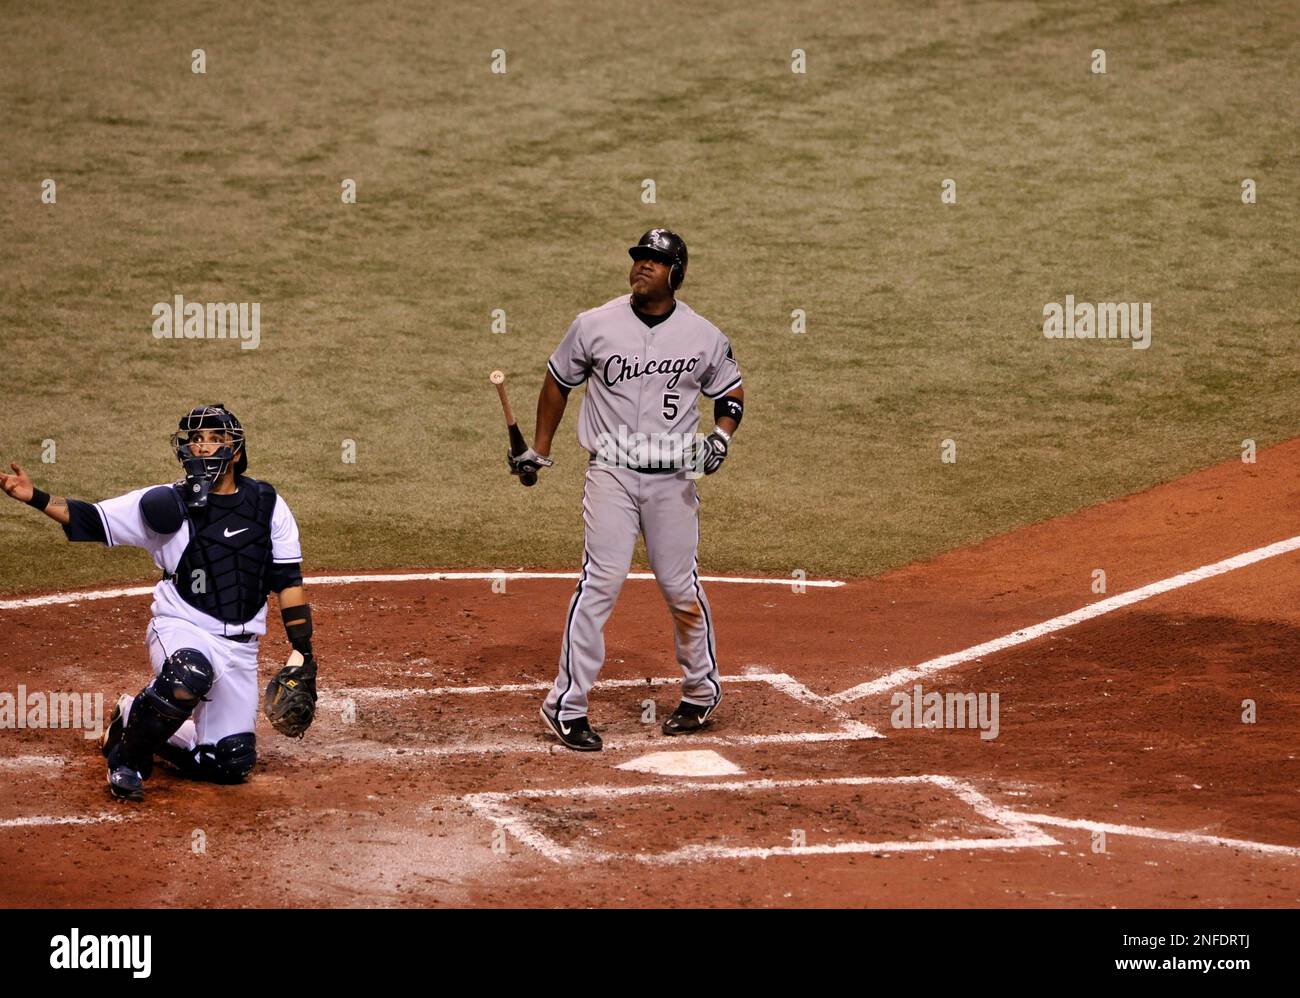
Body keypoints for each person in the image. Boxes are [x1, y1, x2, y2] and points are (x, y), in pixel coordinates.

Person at [0, 404, 318, 800]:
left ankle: (133, 717)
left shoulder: (268, 505)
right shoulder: (166, 506)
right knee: (188, 676)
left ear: (236, 451)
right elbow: (94, 518)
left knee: (229, 762)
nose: (203, 448)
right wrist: (35, 497)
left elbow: (287, 581)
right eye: (196, 439)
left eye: (215, 439)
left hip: (241, 651)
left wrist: (303, 651)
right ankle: (127, 761)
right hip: (183, 627)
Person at [510, 228, 745, 751]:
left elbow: (730, 392)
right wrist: (540, 450)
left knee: (681, 588)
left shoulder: (703, 335)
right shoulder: (594, 324)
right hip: (611, 472)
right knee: (601, 581)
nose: (642, 267)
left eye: (655, 262)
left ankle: (701, 690)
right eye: (639, 258)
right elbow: (557, 382)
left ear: (675, 274)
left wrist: (721, 439)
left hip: (674, 480)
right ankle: (565, 705)